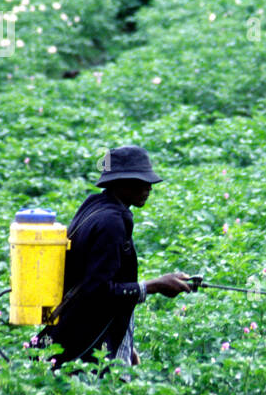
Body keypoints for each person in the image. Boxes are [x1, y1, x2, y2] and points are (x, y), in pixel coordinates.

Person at [38, 145, 197, 373]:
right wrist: (154, 286)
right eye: (140, 181)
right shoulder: (110, 223)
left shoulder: (94, 205)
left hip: (74, 331)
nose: (149, 188)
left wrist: (123, 344)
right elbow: (98, 292)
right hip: (84, 344)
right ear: (120, 183)